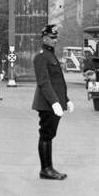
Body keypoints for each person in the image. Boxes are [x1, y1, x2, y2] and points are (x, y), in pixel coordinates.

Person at [31, 23, 72, 180]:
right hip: (47, 103)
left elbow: (57, 82)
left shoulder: (50, 55)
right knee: (46, 135)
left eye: (56, 38)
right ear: (44, 38)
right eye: (52, 38)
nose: (55, 40)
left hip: (53, 103)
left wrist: (66, 100)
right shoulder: (41, 56)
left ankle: (49, 167)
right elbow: (44, 82)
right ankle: (46, 169)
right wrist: (55, 102)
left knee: (50, 135)